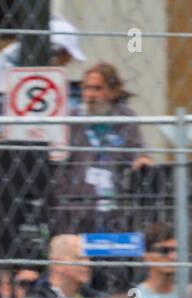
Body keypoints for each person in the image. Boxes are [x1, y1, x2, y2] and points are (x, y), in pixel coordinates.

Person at [52, 61, 151, 235]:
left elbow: (135, 149)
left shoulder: (124, 117)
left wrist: (141, 158)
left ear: (113, 92)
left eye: (97, 89)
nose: (89, 95)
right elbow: (58, 163)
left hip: (113, 206)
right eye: (86, 88)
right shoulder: (72, 119)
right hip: (76, 209)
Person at [0, 15, 85, 144]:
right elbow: (2, 104)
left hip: (5, 139)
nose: (63, 66)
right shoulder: (9, 66)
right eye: (63, 61)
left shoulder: (34, 70)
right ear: (55, 51)